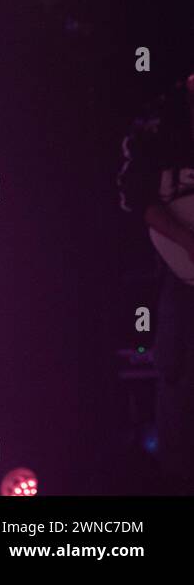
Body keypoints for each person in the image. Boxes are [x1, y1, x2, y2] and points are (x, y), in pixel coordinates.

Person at [117, 68, 194, 493]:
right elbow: (135, 196)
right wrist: (184, 238)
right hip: (178, 276)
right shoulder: (159, 124)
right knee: (176, 371)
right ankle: (178, 476)